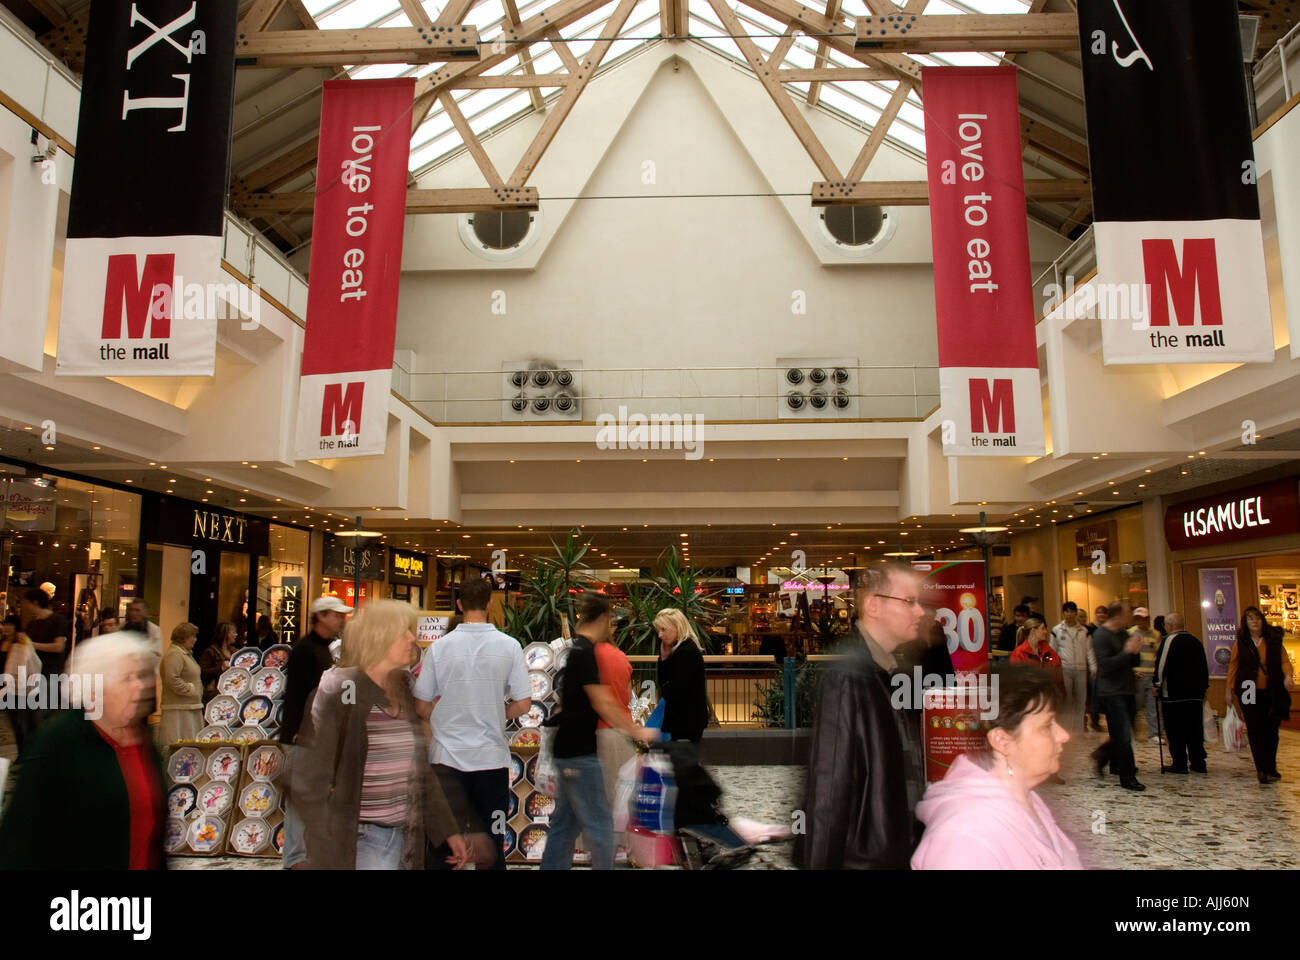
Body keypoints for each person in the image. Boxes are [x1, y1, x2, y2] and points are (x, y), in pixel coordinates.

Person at [291, 599, 478, 869]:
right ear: (381, 639)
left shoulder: (402, 689)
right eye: (403, 631)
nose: (411, 637)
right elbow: (313, 772)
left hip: (402, 835)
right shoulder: (347, 692)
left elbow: (418, 770)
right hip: (364, 837)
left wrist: (448, 829)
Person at [795, 561, 927, 869]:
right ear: (873, 605)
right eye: (909, 601)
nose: (920, 611)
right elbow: (828, 790)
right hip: (865, 859)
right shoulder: (849, 678)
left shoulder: (885, 672)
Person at [0, 633, 164, 868]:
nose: (141, 685)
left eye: (140, 676)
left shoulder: (141, 739)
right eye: (127, 678)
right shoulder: (60, 741)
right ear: (95, 687)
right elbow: (20, 842)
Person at [413, 576, 531, 871]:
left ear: (459, 604)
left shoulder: (439, 648)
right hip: (491, 760)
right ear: (490, 604)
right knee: (490, 846)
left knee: (443, 845)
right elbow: (523, 703)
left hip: (446, 761)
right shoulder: (510, 646)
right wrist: (493, 713)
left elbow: (421, 704)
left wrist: (444, 714)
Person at [911, 667, 1080, 869]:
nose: (1064, 735)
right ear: (1001, 740)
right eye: (1046, 726)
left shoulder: (1025, 798)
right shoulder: (967, 838)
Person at [540, 594, 658, 870]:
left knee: (563, 826)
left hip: (567, 751)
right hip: (581, 753)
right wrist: (635, 730)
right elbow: (602, 700)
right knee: (600, 824)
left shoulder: (577, 651)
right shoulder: (586, 653)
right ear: (604, 618)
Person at [280, 595, 352, 868]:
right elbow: (309, 697)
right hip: (303, 737)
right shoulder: (305, 650)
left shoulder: (323, 649)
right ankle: (295, 857)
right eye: (336, 615)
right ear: (321, 616)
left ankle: (307, 853)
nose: (341, 620)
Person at [1226, 606, 1294, 784]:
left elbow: (1284, 660)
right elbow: (1233, 666)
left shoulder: (1273, 641)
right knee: (1256, 728)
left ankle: (1271, 765)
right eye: (1250, 619)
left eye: (1257, 618)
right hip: (1248, 688)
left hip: (1272, 689)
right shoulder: (1241, 642)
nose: (1254, 622)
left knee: (1272, 729)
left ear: (1262, 621)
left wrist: (1288, 676)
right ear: (1245, 623)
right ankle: (1261, 768)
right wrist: (1229, 690)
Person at [593, 606, 637, 854]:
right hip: (622, 732)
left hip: (598, 731)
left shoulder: (588, 655)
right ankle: (621, 847)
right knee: (620, 798)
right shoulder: (620, 656)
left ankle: (600, 850)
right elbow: (628, 695)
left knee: (600, 797)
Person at [1090, 601, 1145, 791]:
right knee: (1122, 735)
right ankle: (1127, 777)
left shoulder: (1123, 633)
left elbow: (1131, 661)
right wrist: (1127, 651)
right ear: (1117, 616)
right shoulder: (1100, 636)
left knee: (1120, 733)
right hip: (1111, 691)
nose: (1130, 617)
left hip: (1127, 688)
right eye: (1127, 613)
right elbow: (1106, 664)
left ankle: (1104, 757)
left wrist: (1135, 651)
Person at [1153, 613, 1209, 774]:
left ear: (1169, 625)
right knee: (1194, 729)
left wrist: (1156, 684)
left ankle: (1179, 763)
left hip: (1174, 695)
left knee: (1175, 730)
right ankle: (1198, 762)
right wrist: (1203, 689)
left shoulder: (1168, 641)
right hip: (1195, 695)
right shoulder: (1195, 641)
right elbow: (1203, 667)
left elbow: (1161, 665)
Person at [656, 608, 709, 743]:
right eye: (659, 630)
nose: (660, 635)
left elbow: (672, 692)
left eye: (663, 629)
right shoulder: (684, 650)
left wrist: (664, 660)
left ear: (677, 627)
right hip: (687, 721)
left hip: (685, 722)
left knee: (683, 761)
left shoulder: (684, 653)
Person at [1050, 602, 1096, 733]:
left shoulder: (1084, 631)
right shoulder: (1056, 630)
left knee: (1082, 700)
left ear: (1076, 613)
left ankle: (1079, 727)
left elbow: (1089, 650)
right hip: (1065, 668)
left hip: (1081, 668)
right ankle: (1067, 728)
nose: (1069, 615)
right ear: (1063, 613)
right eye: (1067, 612)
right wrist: (1054, 668)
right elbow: (1053, 651)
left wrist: (1093, 666)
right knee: (1068, 699)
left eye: (1072, 612)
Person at [157, 622, 202, 745]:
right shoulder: (175, 654)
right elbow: (171, 679)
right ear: (184, 638)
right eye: (192, 636)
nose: (195, 639)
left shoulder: (184, 653)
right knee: (178, 746)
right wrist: (190, 689)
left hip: (188, 707)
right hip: (179, 710)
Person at [1, 614, 41, 753]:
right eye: (5, 624)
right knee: (13, 722)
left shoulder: (20, 644)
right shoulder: (3, 642)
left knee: (20, 723)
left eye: (10, 625)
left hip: (16, 688)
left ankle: (24, 751)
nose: (6, 628)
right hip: (4, 688)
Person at [20, 586, 70, 679]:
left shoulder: (57, 620)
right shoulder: (32, 623)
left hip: (50, 673)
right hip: (33, 672)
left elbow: (58, 647)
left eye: (28, 603)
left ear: (35, 603)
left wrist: (31, 644)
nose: (26, 607)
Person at [1129, 607, 1162, 741]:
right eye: (1138, 618)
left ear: (1148, 619)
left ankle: (1154, 734)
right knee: (1134, 706)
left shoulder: (1156, 634)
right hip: (1137, 676)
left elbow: (1158, 655)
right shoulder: (1129, 633)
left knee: (1153, 707)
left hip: (1151, 676)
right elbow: (1127, 655)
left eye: (1144, 618)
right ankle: (1131, 732)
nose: (1141, 621)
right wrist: (1133, 672)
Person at [1010, 616, 1064, 695]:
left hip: (1049, 697)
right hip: (1028, 698)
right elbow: (1016, 682)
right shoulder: (1019, 654)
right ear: (1033, 631)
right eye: (1043, 628)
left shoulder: (1049, 651)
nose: (1046, 631)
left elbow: (1058, 674)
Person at [200, 622, 239, 703]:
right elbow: (202, 673)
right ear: (225, 634)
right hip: (216, 694)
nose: (236, 634)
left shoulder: (235, 652)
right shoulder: (210, 652)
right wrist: (221, 668)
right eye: (233, 632)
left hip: (234, 691)